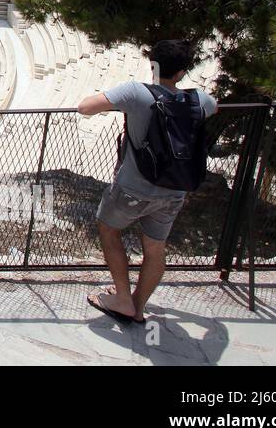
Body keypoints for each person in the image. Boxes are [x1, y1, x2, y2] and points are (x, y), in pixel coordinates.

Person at [77, 39, 217, 324]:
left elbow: (85, 107)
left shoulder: (136, 93)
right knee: (155, 248)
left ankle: (122, 298)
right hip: (175, 191)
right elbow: (215, 107)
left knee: (108, 229)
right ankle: (138, 308)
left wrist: (127, 107)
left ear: (153, 65)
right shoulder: (199, 100)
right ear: (182, 72)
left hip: (133, 188)